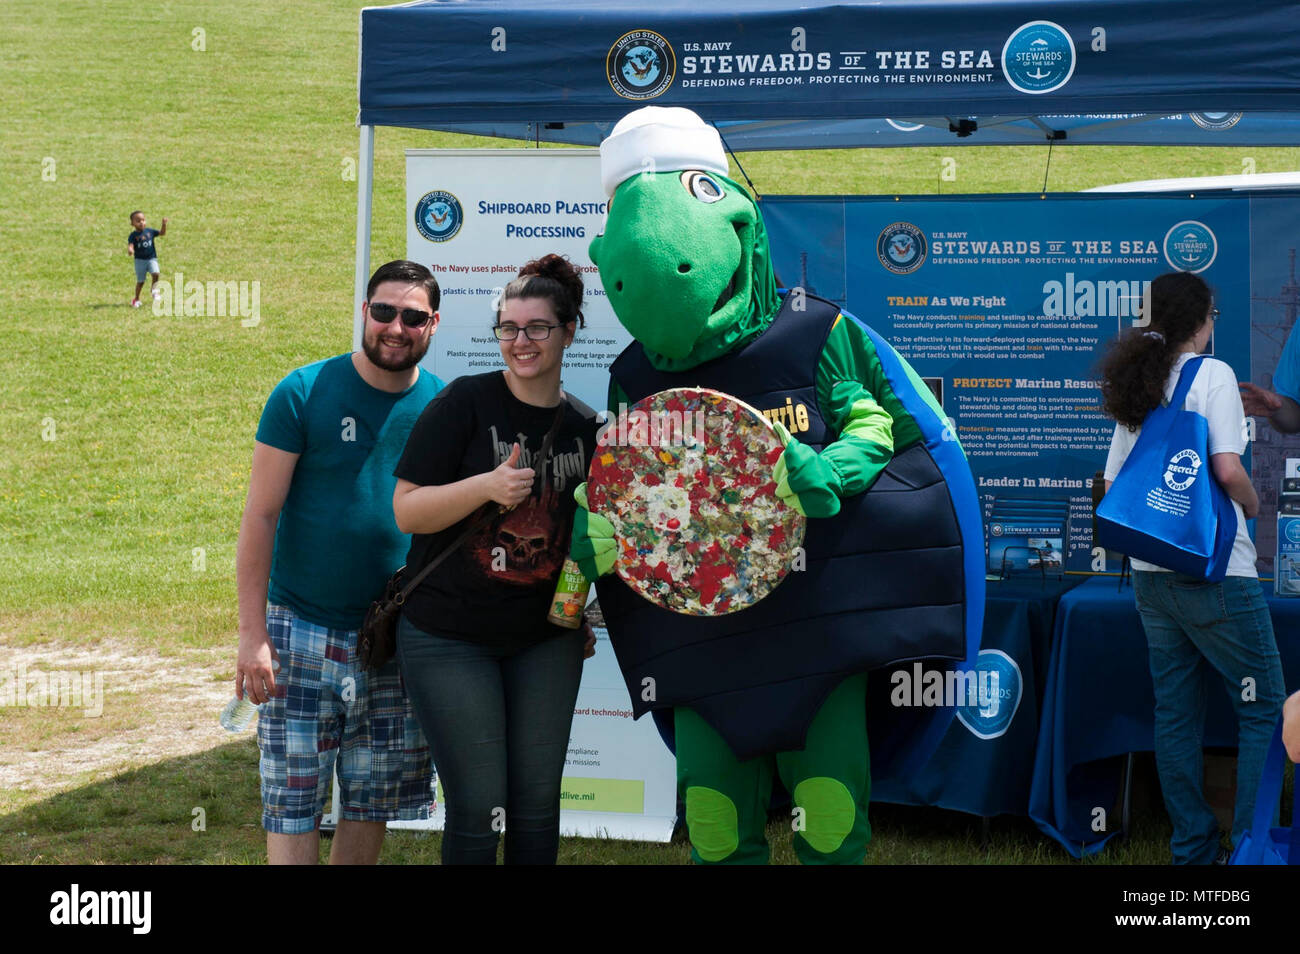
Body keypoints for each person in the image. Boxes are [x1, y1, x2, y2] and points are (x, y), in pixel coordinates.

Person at [392, 253, 598, 865]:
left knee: (536, 807)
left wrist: (577, 608)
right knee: (479, 807)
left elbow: (584, 539)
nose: (521, 341)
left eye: (537, 327)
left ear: (569, 330)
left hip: (544, 641)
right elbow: (407, 510)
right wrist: (484, 486)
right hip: (449, 634)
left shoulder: (586, 429)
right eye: (508, 327)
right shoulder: (465, 402)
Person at [235, 260, 444, 864]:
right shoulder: (303, 391)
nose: (395, 328)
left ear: (433, 324)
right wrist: (253, 636)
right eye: (383, 312)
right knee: (293, 795)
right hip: (300, 627)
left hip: (396, 635)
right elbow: (260, 518)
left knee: (372, 797)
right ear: (364, 312)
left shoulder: (443, 405)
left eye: (412, 317)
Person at [1100, 270, 1286, 864]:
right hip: (1216, 573)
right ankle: (1250, 851)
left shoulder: (1140, 378)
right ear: (1203, 318)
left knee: (1175, 712)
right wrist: (1255, 509)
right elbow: (1229, 470)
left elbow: (1111, 484)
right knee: (1262, 707)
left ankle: (1194, 851)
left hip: (1152, 578)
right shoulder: (1214, 375)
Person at [126, 210, 167, 308]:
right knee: (141, 281)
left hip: (151, 258)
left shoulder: (150, 231)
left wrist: (164, 224)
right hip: (140, 261)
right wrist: (130, 250)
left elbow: (162, 233)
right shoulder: (133, 236)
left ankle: (154, 290)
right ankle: (136, 299)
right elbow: (130, 245)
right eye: (138, 221)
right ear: (132, 223)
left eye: (143, 220)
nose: (141, 222)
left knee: (156, 273)